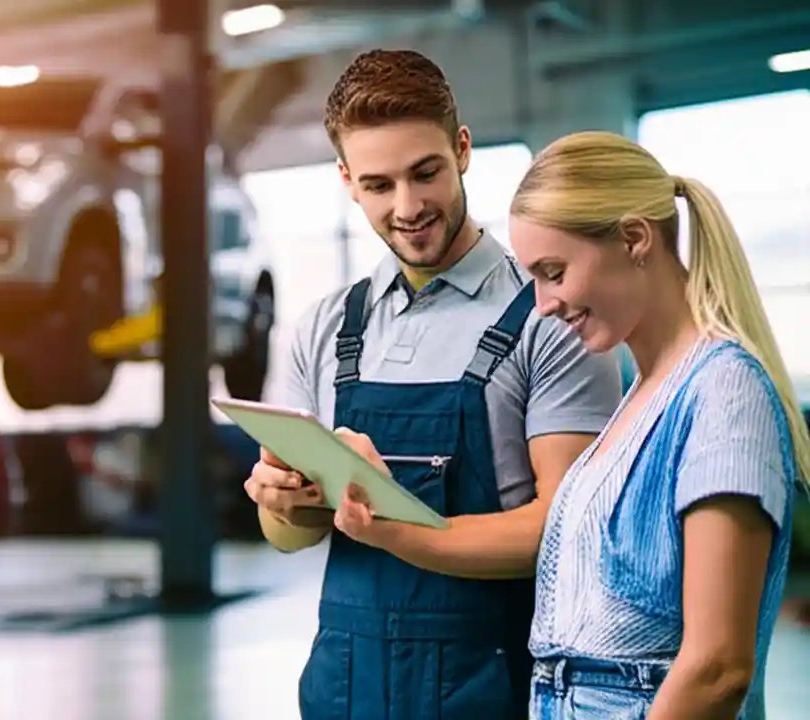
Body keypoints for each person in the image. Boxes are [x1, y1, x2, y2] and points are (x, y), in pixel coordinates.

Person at [243, 50, 624, 719]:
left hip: (491, 678)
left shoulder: (551, 319)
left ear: (463, 149)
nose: (409, 207)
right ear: (347, 181)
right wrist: (279, 503)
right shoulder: (324, 328)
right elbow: (292, 537)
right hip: (346, 682)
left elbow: (563, 530)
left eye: (426, 174)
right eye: (379, 185)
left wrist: (389, 525)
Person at [506, 130, 809, 719]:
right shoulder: (642, 395)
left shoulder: (724, 393)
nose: (542, 303)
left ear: (634, 239)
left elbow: (717, 668)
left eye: (554, 271)